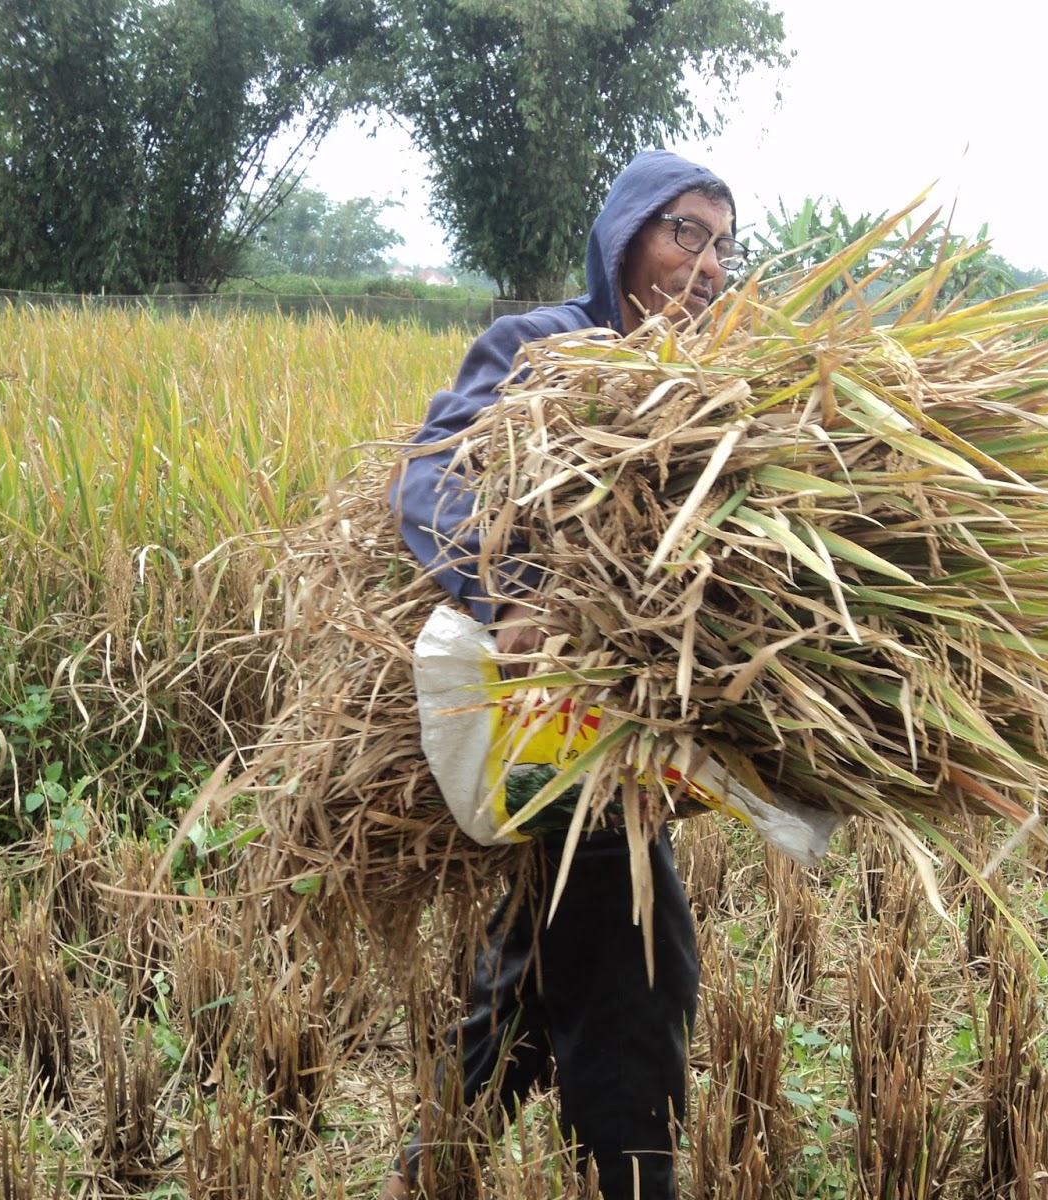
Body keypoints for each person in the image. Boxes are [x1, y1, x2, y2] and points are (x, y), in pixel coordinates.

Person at [382, 150, 747, 1200]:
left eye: (723, 244)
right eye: (686, 231)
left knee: (547, 949)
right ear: (624, 231)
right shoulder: (543, 348)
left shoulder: (715, 384)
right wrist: (508, 592)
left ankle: (432, 1170)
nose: (708, 262)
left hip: (635, 722)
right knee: (639, 961)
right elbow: (432, 478)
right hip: (545, 709)